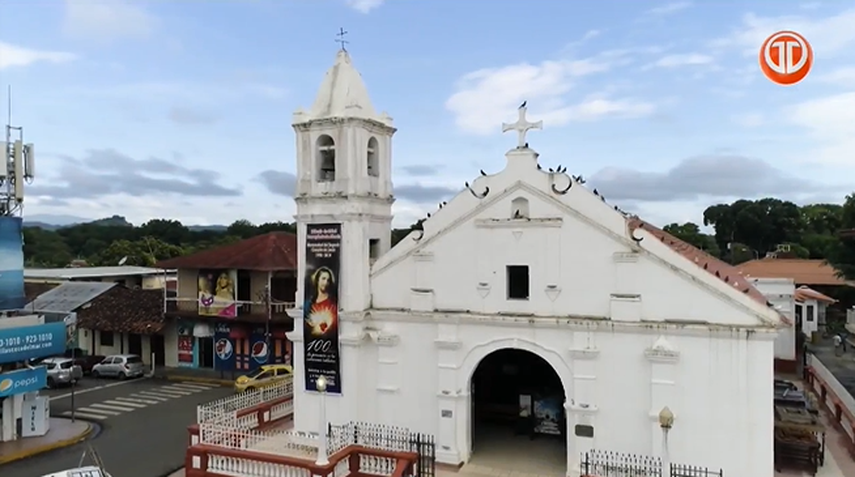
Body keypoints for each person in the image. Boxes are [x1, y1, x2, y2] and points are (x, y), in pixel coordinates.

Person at [304, 267, 338, 336]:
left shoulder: (332, 303)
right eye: (323, 279)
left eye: (328, 280)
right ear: (317, 280)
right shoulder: (309, 304)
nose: (325, 282)